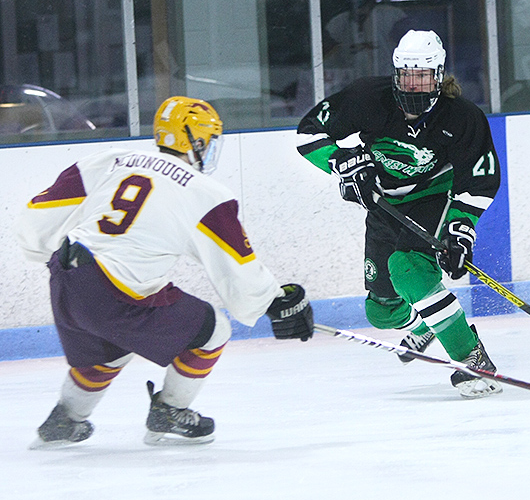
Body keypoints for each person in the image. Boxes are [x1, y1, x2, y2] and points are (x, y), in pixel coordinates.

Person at [16, 96, 313, 447]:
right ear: (198, 140)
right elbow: (236, 263)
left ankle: (64, 422)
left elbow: (41, 207)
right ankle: (170, 411)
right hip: (114, 290)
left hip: (65, 275)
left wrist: (36, 248)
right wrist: (272, 301)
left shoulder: (111, 159)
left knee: (109, 349)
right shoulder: (204, 192)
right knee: (213, 329)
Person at [297, 29, 502, 398]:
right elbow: (309, 132)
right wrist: (342, 163)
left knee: (410, 269)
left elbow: (480, 181)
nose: (414, 82)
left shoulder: (462, 117)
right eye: (407, 73)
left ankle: (473, 360)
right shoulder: (368, 98)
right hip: (383, 203)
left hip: (433, 197)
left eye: (422, 75)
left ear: (438, 75)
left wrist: (460, 231)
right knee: (383, 313)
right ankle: (432, 319)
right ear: (396, 73)